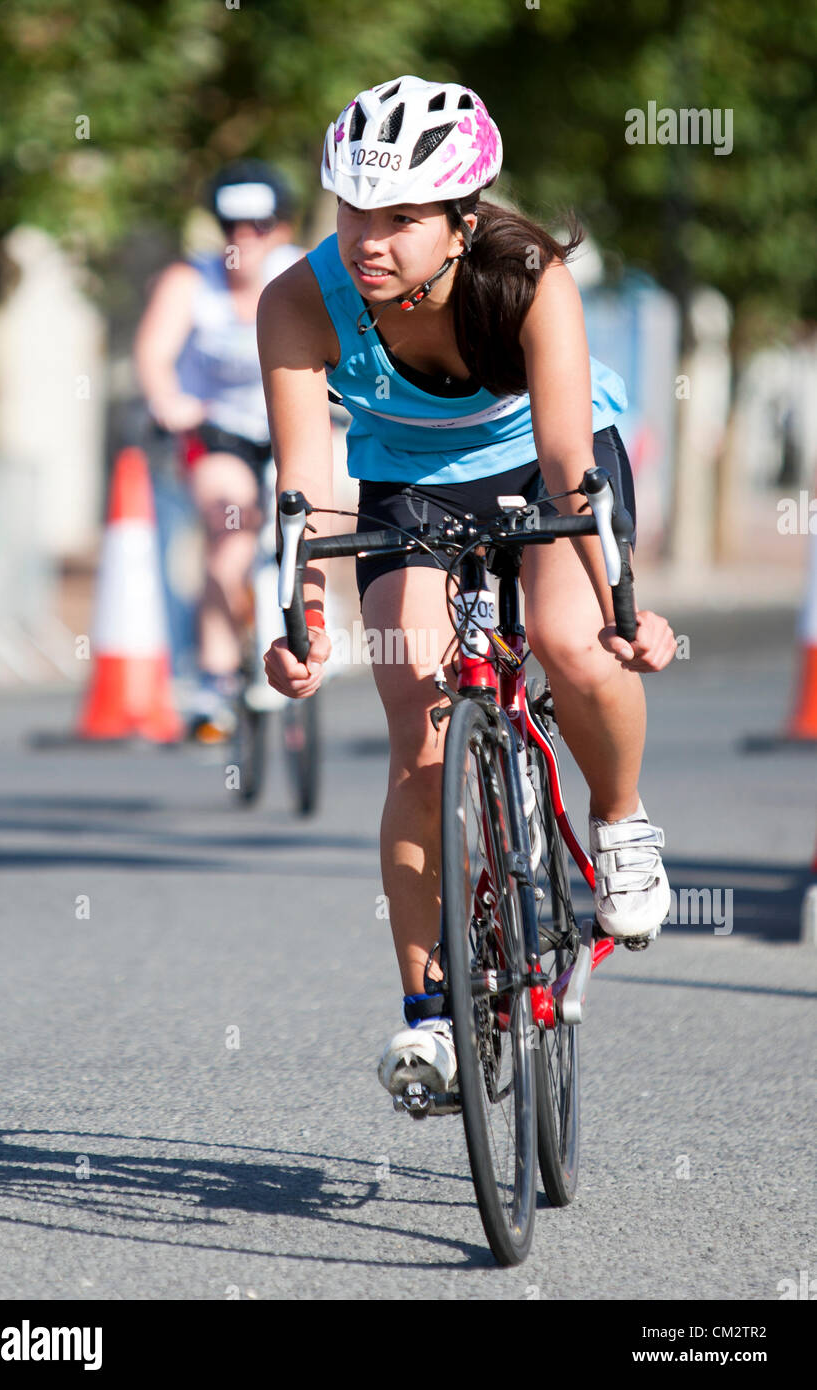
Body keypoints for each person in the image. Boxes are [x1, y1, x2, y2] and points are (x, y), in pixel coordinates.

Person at [257, 76, 676, 1100]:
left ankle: (619, 824)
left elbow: (569, 451)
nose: (369, 238)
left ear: (461, 221)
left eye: (401, 218)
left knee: (574, 646)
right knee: (420, 725)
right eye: (355, 209)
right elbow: (304, 493)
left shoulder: (523, 276)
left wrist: (621, 603)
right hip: (406, 483)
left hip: (543, 463)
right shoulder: (298, 300)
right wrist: (300, 621)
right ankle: (428, 1017)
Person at [135, 159, 303, 738]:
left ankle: (311, 636)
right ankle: (215, 678)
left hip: (295, 426)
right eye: (230, 225)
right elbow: (154, 356)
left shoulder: (301, 272)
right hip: (219, 432)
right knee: (228, 532)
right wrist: (169, 400)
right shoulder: (191, 280)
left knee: (320, 524)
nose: (243, 238)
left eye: (257, 224)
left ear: (279, 227)